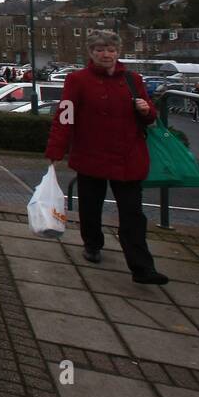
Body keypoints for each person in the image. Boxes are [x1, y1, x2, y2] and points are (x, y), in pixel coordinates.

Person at [44, 30, 168, 284]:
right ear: (91, 53)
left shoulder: (133, 80)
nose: (106, 54)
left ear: (118, 52)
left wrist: (147, 110)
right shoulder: (77, 80)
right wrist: (55, 150)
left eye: (110, 49)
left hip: (128, 157)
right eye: (100, 49)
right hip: (92, 156)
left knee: (133, 214)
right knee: (91, 207)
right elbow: (64, 117)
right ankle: (93, 244)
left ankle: (142, 267)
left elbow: (150, 115)